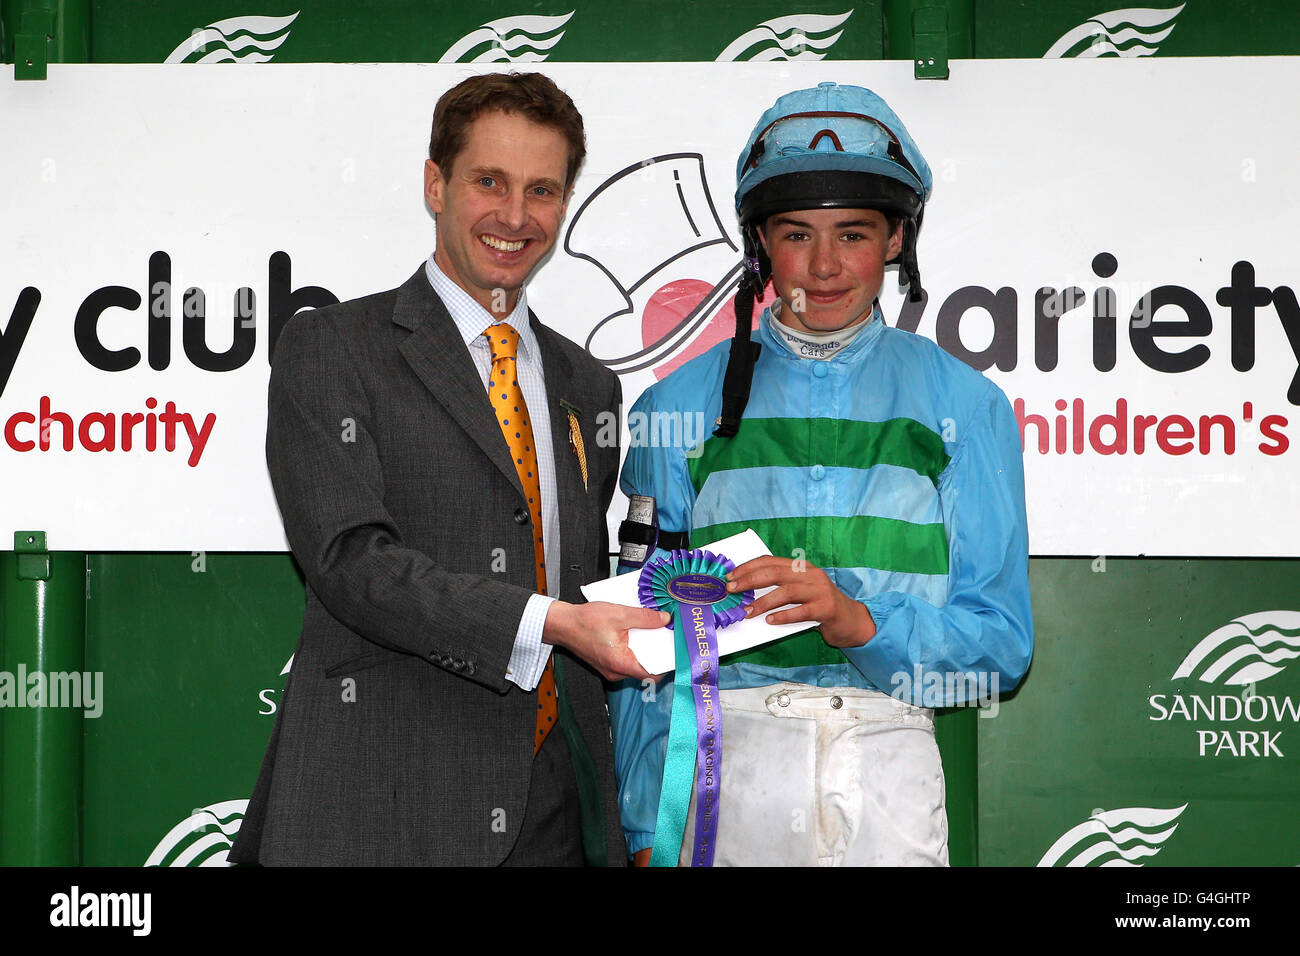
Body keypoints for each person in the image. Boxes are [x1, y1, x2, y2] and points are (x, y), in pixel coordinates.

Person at [230, 71, 665, 866]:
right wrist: (548, 622)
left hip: (557, 811)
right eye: (488, 182)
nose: (513, 215)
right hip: (387, 801)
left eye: (541, 189)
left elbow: (582, 581)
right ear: (436, 184)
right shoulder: (331, 348)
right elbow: (348, 562)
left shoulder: (589, 386)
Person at [609, 82, 1033, 866]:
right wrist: (648, 829)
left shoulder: (969, 409)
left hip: (890, 765)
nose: (826, 266)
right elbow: (642, 646)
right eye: (797, 234)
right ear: (760, 243)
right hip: (719, 778)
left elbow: (1002, 646)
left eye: (855, 234)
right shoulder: (674, 407)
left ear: (898, 240)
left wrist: (857, 622)